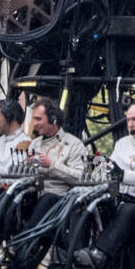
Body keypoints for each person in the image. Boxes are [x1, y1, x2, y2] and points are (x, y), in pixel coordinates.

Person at [74, 102, 135, 269]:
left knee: (128, 210)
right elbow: (110, 169)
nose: (130, 124)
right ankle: (77, 253)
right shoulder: (122, 144)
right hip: (118, 199)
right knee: (87, 203)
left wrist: (124, 176)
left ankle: (99, 254)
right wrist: (97, 172)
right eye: (128, 120)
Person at [22, 97, 87, 227]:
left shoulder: (74, 144)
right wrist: (27, 166)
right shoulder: (35, 144)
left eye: (38, 119)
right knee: (6, 195)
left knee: (47, 199)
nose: (34, 123)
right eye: (34, 119)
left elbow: (81, 177)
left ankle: (22, 245)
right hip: (34, 195)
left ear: (53, 120)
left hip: (60, 200)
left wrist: (52, 165)